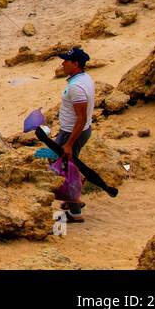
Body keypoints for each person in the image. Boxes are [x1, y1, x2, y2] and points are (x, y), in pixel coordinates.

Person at [56, 47, 95, 223]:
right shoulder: (84, 78)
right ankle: (73, 197)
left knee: (65, 170)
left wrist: (69, 143)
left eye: (66, 61)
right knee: (63, 164)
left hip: (72, 133)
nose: (63, 63)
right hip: (76, 131)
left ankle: (75, 211)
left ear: (76, 64)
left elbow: (81, 117)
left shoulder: (76, 87)